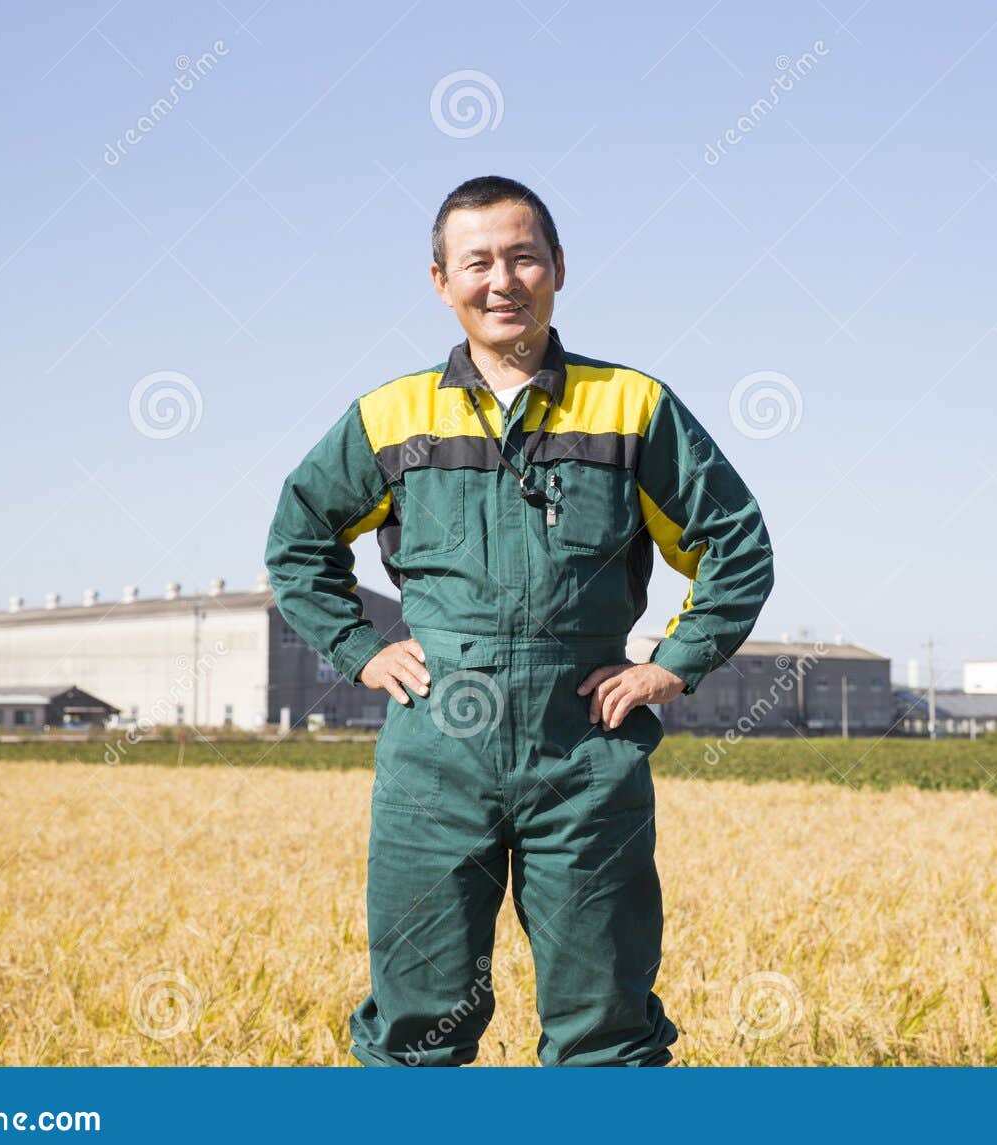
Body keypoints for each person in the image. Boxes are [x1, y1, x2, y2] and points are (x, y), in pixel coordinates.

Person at [264, 175, 775, 1066]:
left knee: (605, 1027)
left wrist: (672, 662)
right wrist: (361, 649)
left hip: (584, 751)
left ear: (559, 268)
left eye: (523, 257)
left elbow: (735, 542)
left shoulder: (633, 406)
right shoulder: (391, 416)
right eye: (478, 263)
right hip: (436, 755)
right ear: (441, 282)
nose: (502, 281)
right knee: (418, 1025)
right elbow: (298, 539)